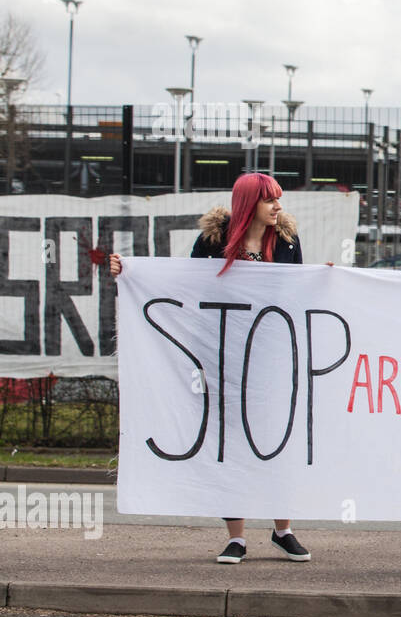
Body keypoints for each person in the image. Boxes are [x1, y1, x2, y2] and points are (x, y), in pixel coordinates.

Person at [109, 172, 313, 565]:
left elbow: (297, 292)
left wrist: (325, 279)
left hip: (271, 357)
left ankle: (283, 529)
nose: (278, 207)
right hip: (222, 357)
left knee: (277, 442)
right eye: (270, 200)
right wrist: (129, 272)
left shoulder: (287, 241)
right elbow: (183, 287)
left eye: (279, 200)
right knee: (230, 444)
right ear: (249, 203)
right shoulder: (212, 243)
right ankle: (236, 537)